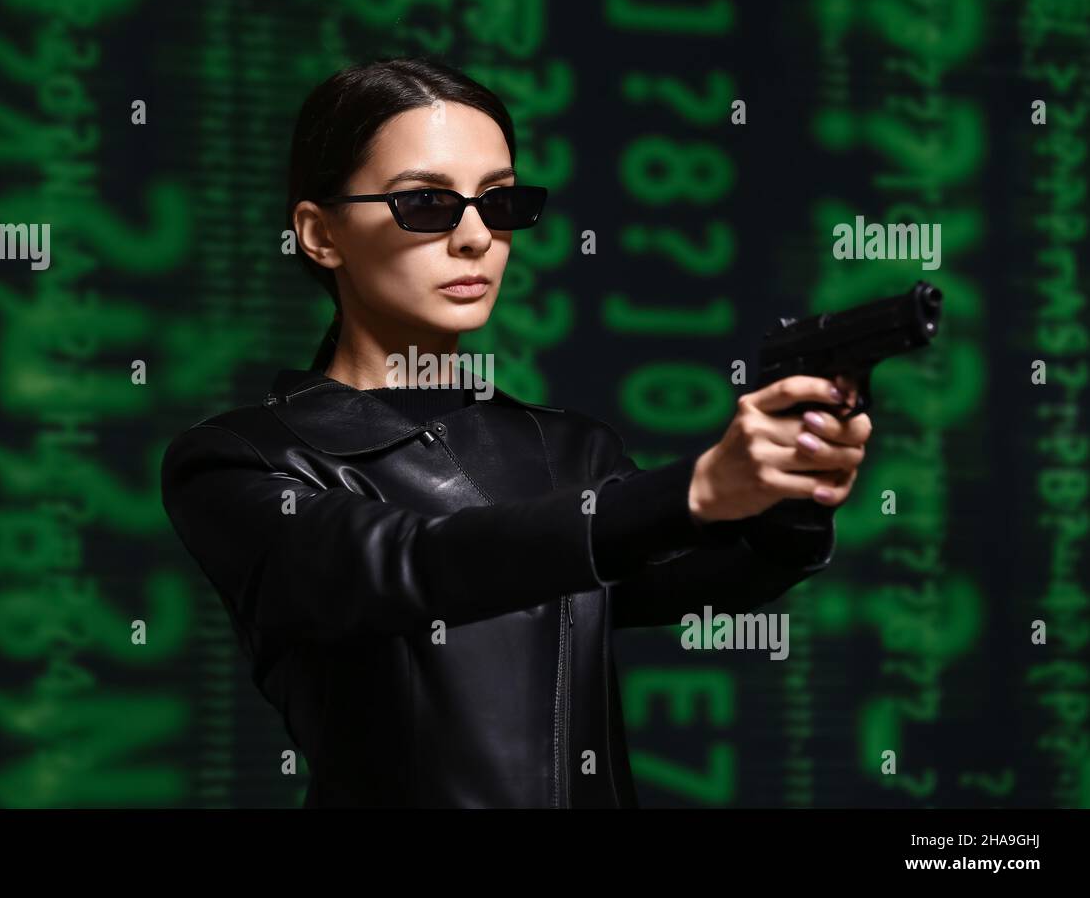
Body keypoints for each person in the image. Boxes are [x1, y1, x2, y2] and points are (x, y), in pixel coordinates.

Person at [160, 55, 872, 807]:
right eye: (427, 203)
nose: (476, 238)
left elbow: (695, 581)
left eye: (498, 202)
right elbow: (413, 563)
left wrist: (794, 493)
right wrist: (694, 489)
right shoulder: (238, 464)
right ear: (319, 234)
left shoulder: (571, 449)